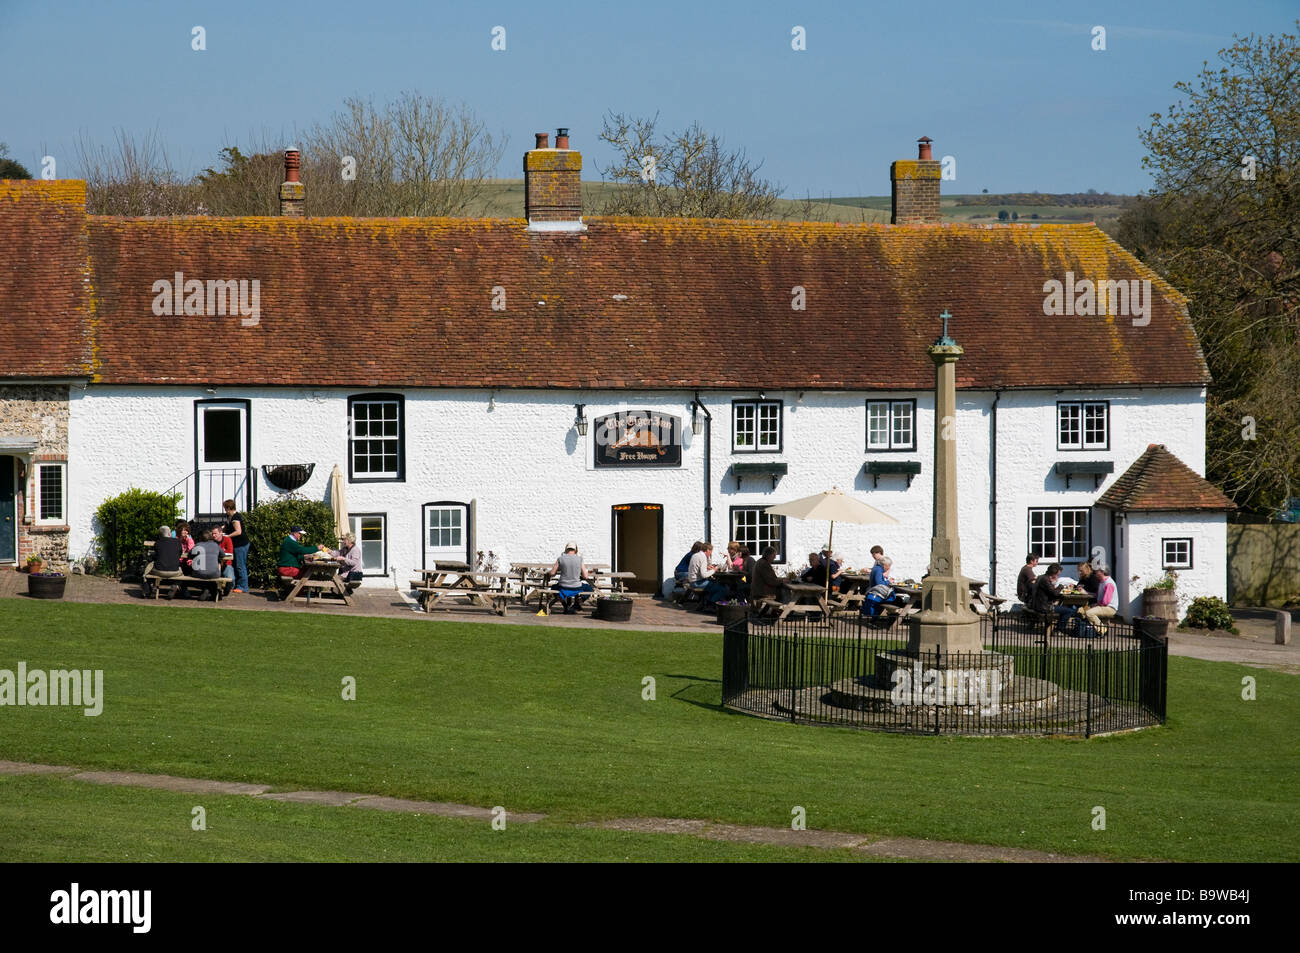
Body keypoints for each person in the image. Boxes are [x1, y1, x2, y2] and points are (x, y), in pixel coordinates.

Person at [1030, 562, 1076, 632]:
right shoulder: (1045, 580)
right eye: (1057, 574)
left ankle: (1058, 628)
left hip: (1037, 605)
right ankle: (1059, 630)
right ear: (1053, 573)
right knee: (1069, 611)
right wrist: (1061, 586)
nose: (1058, 576)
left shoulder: (1041, 577)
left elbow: (1050, 592)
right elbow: (1055, 593)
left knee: (1065, 608)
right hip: (1044, 607)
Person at [551, 542, 593, 614]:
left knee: (553, 587)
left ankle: (565, 605)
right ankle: (575, 605)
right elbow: (585, 576)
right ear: (576, 550)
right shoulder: (580, 559)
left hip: (563, 586)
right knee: (590, 588)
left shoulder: (560, 559)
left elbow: (552, 573)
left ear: (566, 549)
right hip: (576, 586)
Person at [222, 499, 250, 594]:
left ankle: (243, 586)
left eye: (225, 508)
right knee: (234, 565)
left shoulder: (235, 517)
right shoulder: (229, 517)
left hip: (241, 545)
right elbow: (226, 526)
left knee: (240, 566)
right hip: (236, 545)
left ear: (229, 508)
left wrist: (227, 536)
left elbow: (238, 531)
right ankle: (234, 584)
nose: (225, 510)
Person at [1080, 565, 1118, 635]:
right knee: (1081, 610)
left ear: (1102, 572)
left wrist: (1095, 605)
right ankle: (1087, 631)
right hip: (1102, 606)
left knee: (1089, 613)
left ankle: (1103, 631)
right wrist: (1086, 592)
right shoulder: (1102, 582)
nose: (1095, 573)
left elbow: (1105, 602)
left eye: (1097, 571)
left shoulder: (1109, 583)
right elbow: (1097, 595)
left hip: (1110, 608)